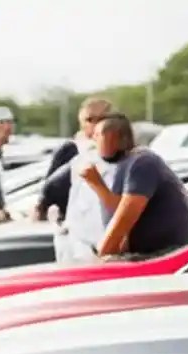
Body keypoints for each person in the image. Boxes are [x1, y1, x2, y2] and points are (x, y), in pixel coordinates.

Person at [79, 113, 188, 258]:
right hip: (148, 255)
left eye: (98, 134)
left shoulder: (142, 163)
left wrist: (102, 258)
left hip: (164, 256)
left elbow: (122, 222)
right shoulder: (126, 164)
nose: (93, 140)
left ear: (113, 136)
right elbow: (119, 210)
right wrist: (96, 183)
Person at [33, 97, 116, 261]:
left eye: (102, 119)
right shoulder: (72, 151)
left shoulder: (119, 153)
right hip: (75, 236)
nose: (96, 124)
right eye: (90, 119)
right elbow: (49, 191)